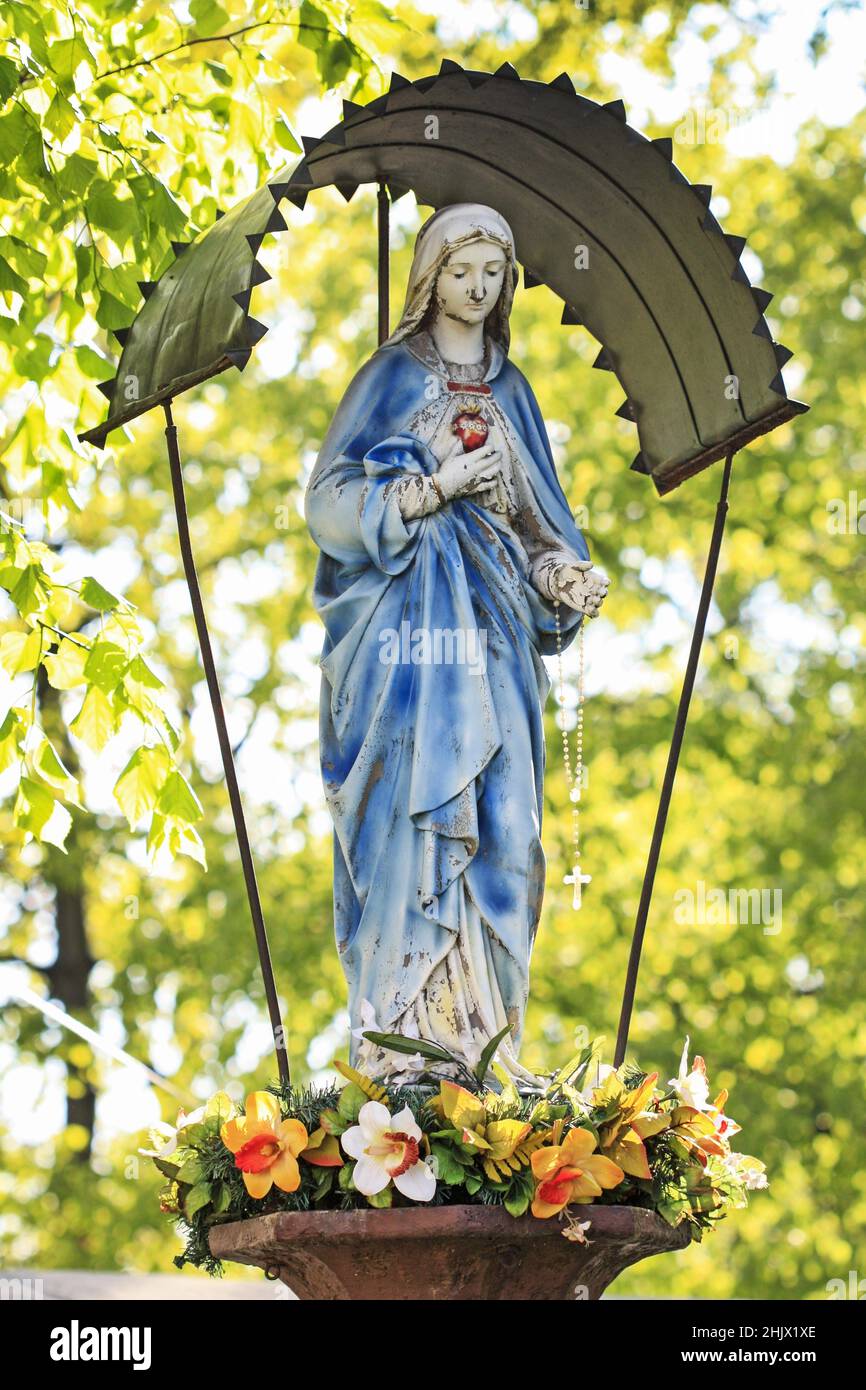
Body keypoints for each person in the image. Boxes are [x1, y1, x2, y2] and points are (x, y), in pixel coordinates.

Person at [305, 203, 609, 1085]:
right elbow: (327, 503)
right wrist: (429, 489)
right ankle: (406, 1054)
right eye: (461, 270)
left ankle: (487, 1053)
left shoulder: (514, 393)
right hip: (410, 651)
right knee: (417, 822)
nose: (477, 289)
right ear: (429, 276)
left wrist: (562, 575)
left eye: (492, 274)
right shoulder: (390, 376)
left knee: (506, 828)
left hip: (499, 637)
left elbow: (539, 523)